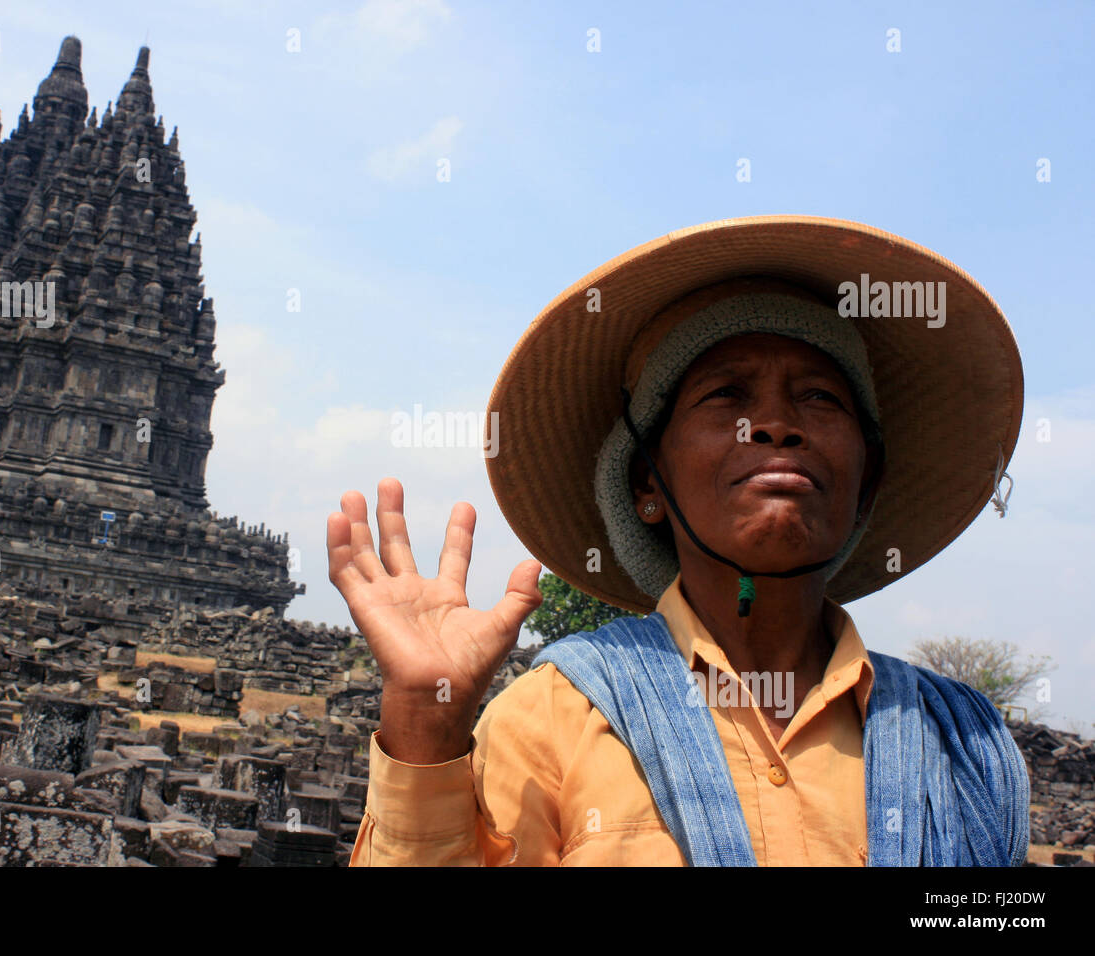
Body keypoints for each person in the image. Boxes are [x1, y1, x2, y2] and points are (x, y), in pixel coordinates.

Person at [329, 216, 1029, 866]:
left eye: (821, 398)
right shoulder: (552, 720)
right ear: (647, 482)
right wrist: (423, 727)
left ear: (866, 485)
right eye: (725, 395)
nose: (776, 425)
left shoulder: (962, 747)